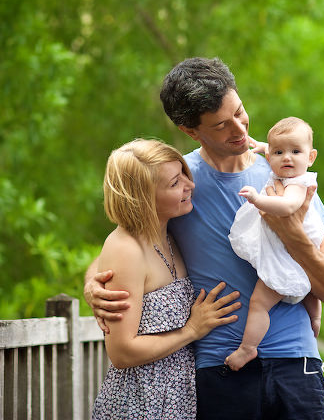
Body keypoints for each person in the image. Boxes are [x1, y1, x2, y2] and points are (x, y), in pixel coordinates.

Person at [85, 57, 324, 420]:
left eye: (240, 111)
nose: (239, 129)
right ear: (191, 131)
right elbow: (126, 241)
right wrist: (92, 284)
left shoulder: (285, 175)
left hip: (295, 360)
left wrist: (293, 236)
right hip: (221, 366)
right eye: (222, 125)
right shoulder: (177, 184)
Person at [90, 138, 241, 420]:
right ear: (143, 197)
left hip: (177, 399)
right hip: (140, 403)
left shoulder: (169, 235)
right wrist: (192, 330)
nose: (190, 184)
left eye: (184, 172)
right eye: (175, 183)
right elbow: (122, 352)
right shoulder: (126, 249)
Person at [225, 116, 324, 371]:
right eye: (279, 152)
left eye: (295, 151)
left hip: (288, 256)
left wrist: (258, 200)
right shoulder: (286, 173)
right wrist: (262, 147)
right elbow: (273, 151)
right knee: (308, 284)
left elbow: (288, 206)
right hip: (301, 255)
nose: (287, 158)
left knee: (259, 303)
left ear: (311, 157)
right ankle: (315, 316)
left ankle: (248, 348)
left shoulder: (298, 184)